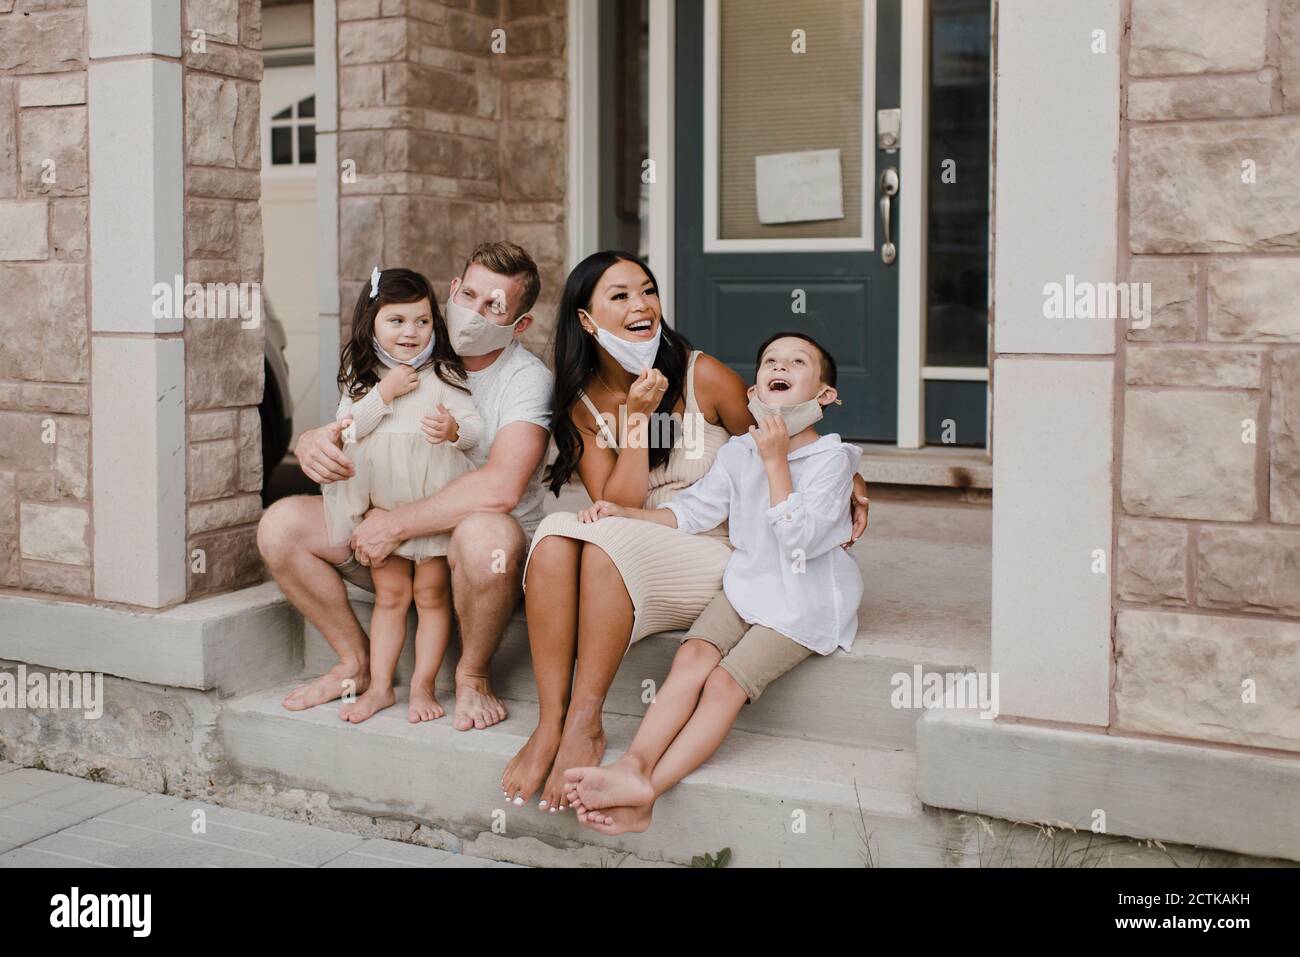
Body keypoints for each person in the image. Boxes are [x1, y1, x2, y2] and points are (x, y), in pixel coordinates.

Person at [500, 251, 869, 812]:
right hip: (649, 529)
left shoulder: (704, 375)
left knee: (601, 548)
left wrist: (852, 479)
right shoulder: (581, 402)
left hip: (717, 547)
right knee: (554, 535)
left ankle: (586, 721)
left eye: (647, 290)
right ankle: (552, 722)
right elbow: (618, 501)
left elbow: (785, 437)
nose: (641, 305)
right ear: (586, 319)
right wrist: (639, 421)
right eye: (619, 296)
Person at [563, 332, 863, 834]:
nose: (779, 365)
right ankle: (634, 764)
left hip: (804, 597)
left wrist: (774, 462)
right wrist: (627, 512)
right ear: (755, 391)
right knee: (692, 657)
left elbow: (801, 542)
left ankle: (647, 793)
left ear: (824, 396)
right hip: (748, 582)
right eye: (769, 360)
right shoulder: (739, 452)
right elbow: (693, 512)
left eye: (797, 361)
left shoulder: (832, 461)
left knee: (723, 683)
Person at [257, 242, 553, 731]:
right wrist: (313, 441)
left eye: (494, 307)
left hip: (466, 559)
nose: (474, 313)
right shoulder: (400, 353)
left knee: (487, 536)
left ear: (520, 324)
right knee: (281, 525)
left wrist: (393, 524)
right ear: (453, 290)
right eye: (470, 296)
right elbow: (352, 422)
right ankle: (355, 662)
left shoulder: (525, 380)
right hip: (382, 533)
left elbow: (501, 487)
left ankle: (473, 675)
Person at [320, 267, 482, 724]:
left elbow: (473, 430)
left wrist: (453, 431)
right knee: (391, 597)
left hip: (428, 509)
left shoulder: (446, 371)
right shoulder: (362, 373)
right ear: (371, 320)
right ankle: (381, 686)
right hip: (381, 509)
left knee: (431, 595)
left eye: (422, 320)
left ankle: (423, 685)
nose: (411, 332)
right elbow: (348, 429)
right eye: (397, 321)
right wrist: (383, 394)